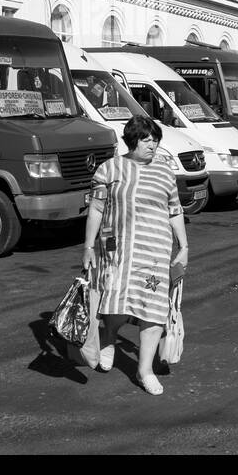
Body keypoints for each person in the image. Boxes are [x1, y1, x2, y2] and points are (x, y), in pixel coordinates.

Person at [82, 116, 188, 396]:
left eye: (155, 140)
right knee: (115, 304)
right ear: (132, 141)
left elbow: (175, 210)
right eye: (146, 140)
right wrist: (88, 247)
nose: (153, 145)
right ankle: (108, 338)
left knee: (153, 311)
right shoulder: (110, 169)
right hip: (118, 251)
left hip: (155, 251)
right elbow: (96, 208)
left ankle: (145, 371)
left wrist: (184, 247)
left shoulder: (165, 171)